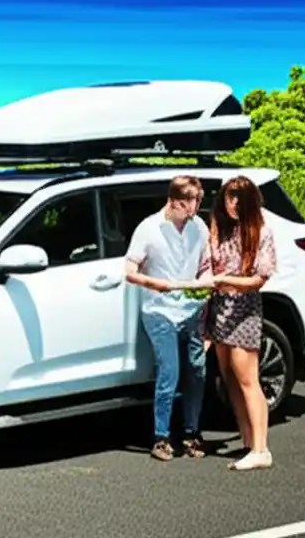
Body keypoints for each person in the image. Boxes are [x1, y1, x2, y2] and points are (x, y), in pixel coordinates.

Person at [124, 175, 215, 462]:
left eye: (198, 203)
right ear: (175, 201)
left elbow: (205, 263)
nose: (195, 210)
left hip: (189, 307)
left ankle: (192, 432)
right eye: (190, 203)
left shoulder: (198, 227)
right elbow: (129, 269)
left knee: (197, 371)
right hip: (159, 308)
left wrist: (205, 284)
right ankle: (161, 437)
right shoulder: (149, 229)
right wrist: (156, 284)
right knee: (169, 372)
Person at [197, 175, 278, 471]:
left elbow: (258, 279)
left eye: (238, 199)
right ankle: (247, 439)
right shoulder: (220, 227)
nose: (232, 204)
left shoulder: (261, 232)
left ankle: (261, 448)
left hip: (243, 306)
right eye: (229, 197)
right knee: (228, 375)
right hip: (220, 306)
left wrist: (224, 281)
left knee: (247, 378)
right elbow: (210, 264)